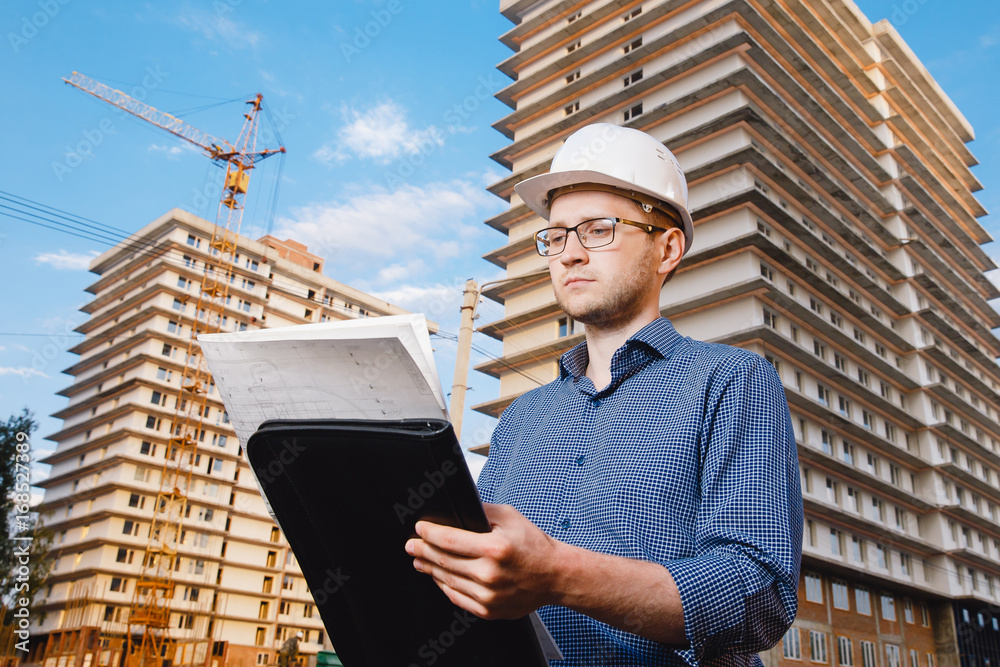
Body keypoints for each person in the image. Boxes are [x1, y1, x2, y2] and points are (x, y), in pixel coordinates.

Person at [405, 123, 803, 665]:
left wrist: (557, 574)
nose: (568, 253)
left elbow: (757, 594)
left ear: (667, 249)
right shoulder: (521, 419)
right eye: (557, 235)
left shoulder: (732, 381)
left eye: (597, 229)